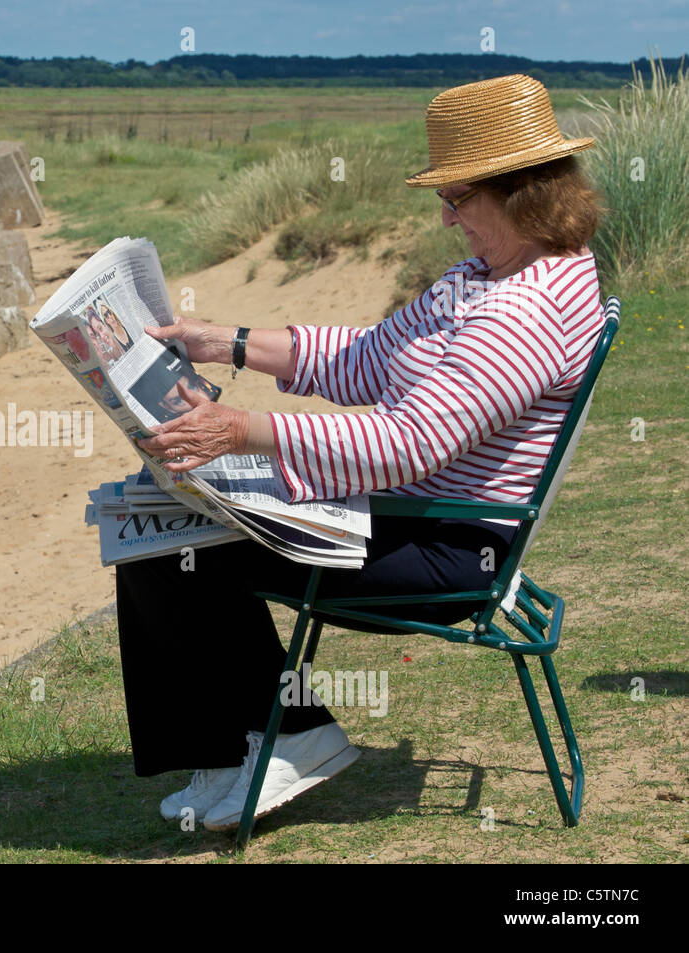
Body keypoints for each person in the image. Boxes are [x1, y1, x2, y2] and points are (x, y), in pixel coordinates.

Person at [116, 73, 606, 832]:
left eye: (458, 197)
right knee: (156, 520)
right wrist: (228, 342)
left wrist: (242, 431)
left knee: (177, 540)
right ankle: (242, 741)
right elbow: (370, 357)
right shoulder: (492, 275)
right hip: (410, 514)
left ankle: (287, 734)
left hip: (447, 546)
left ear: (522, 194)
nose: (446, 217)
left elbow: (410, 443)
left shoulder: (528, 308)